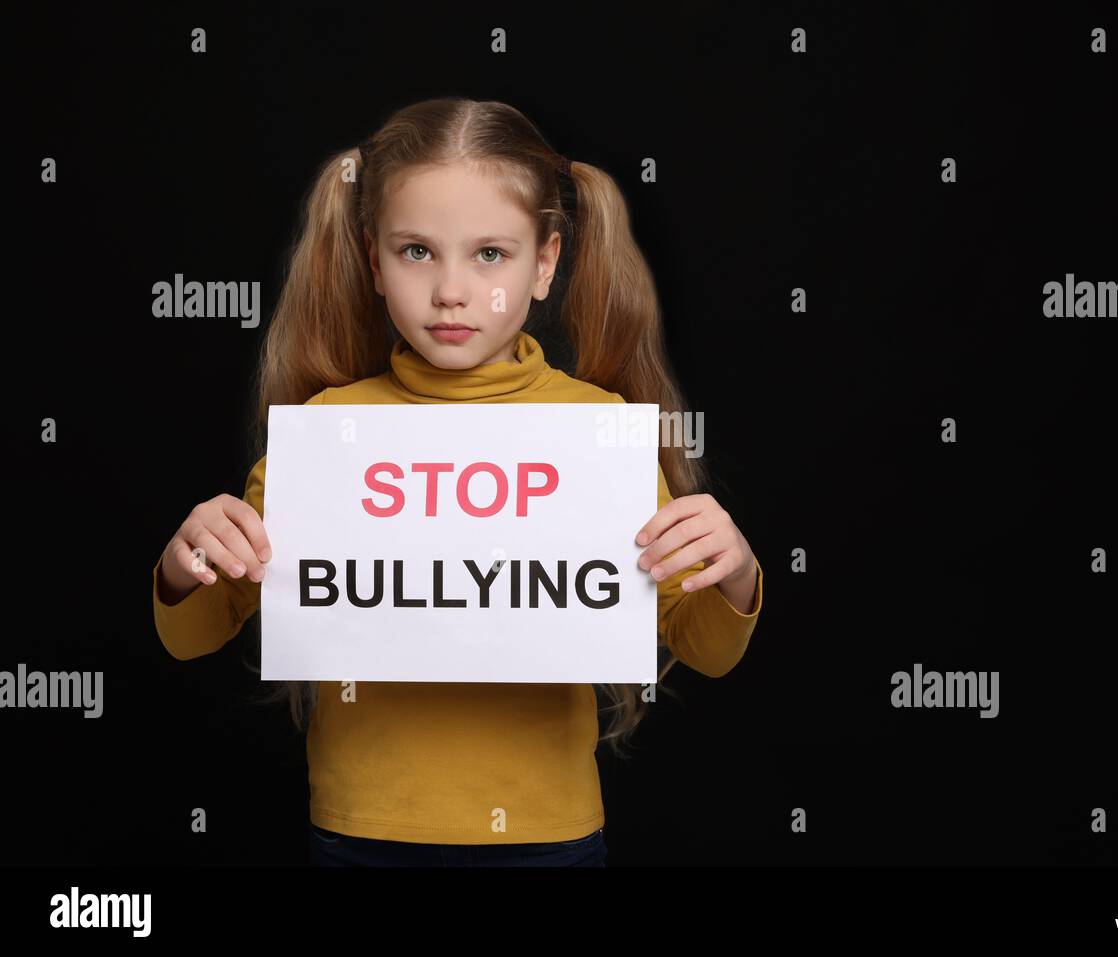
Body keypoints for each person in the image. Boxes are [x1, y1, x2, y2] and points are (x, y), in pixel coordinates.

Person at [151, 97, 765, 866]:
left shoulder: (598, 430)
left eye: (489, 254)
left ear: (545, 263)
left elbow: (703, 645)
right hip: (360, 834)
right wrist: (187, 564)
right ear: (374, 261)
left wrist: (735, 571)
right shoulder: (329, 430)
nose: (450, 289)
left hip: (548, 838)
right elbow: (199, 629)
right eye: (417, 250)